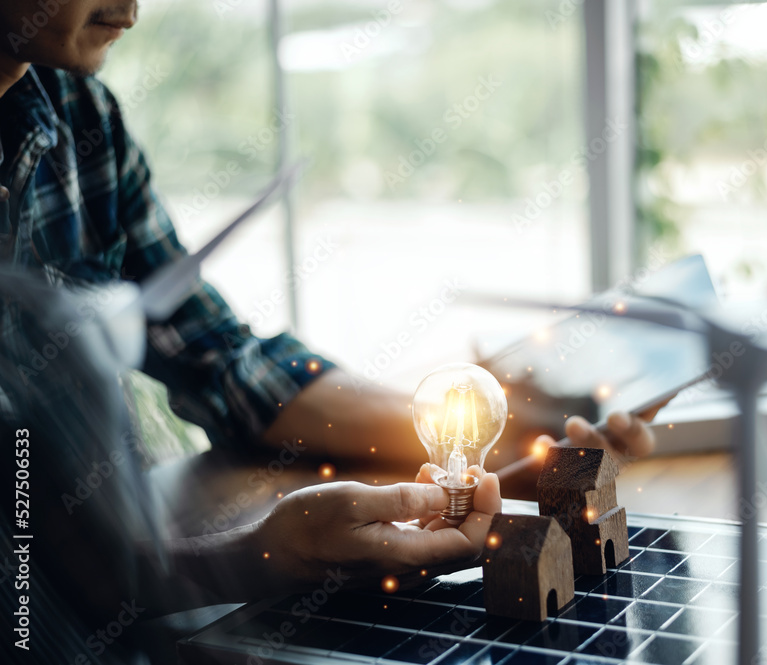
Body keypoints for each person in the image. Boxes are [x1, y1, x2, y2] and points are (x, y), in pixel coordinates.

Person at [0, 1, 665, 661]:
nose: (132, 8)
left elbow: (227, 362)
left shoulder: (81, 116)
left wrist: (522, 436)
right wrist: (268, 552)